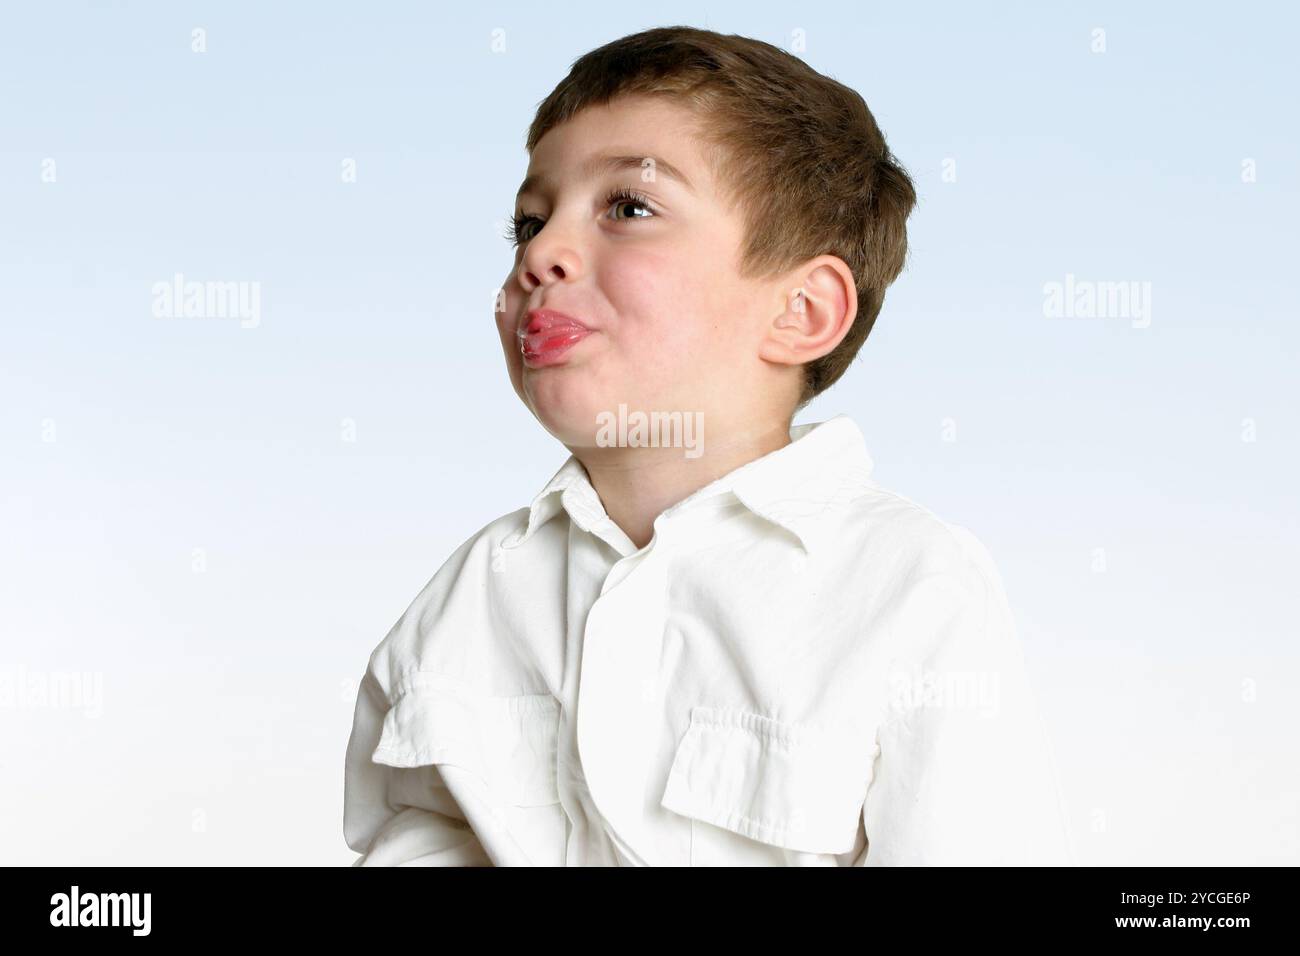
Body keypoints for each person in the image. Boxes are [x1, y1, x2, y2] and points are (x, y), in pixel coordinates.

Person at [343, 25, 1074, 866]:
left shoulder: (909, 586)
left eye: (629, 207)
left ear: (800, 312)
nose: (540, 253)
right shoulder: (474, 591)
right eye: (528, 223)